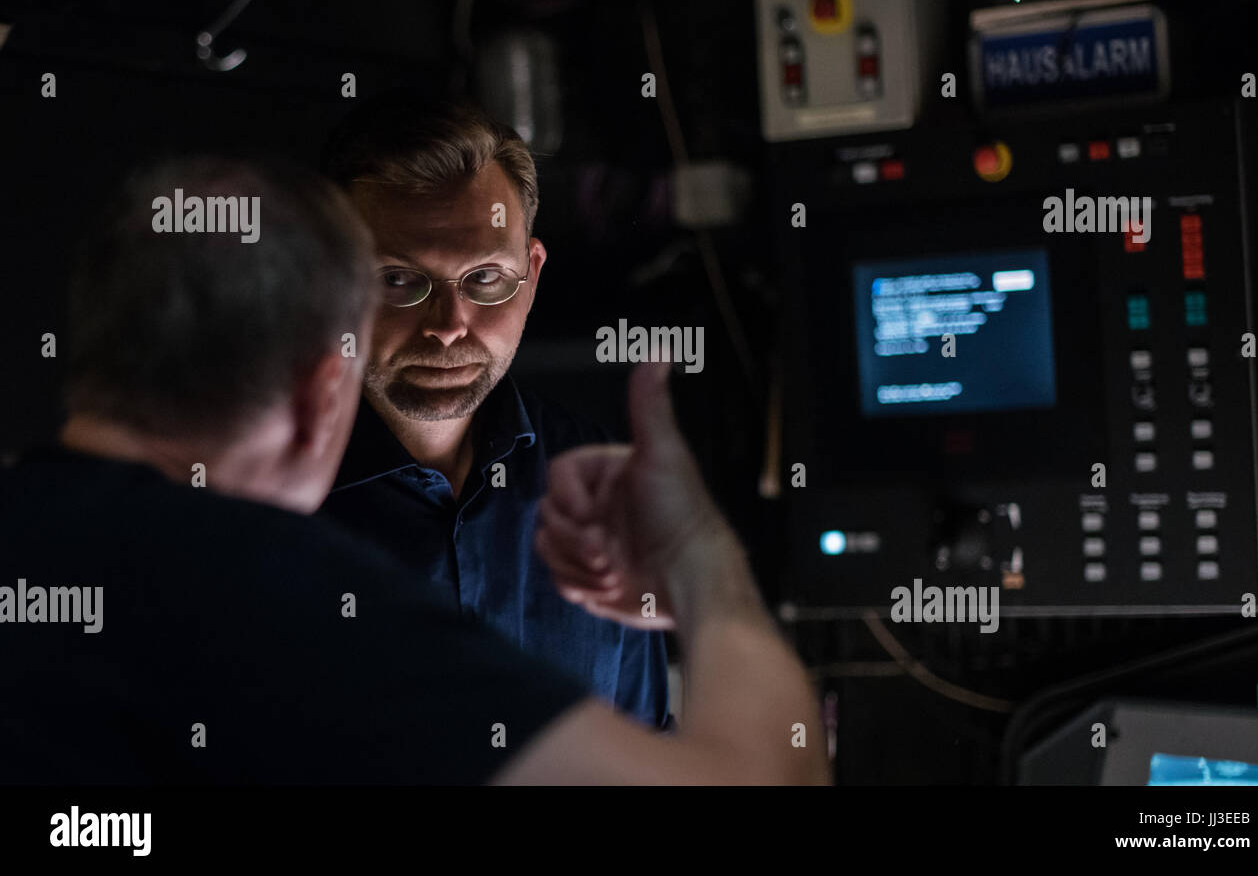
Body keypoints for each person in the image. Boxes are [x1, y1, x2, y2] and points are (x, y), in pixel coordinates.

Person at [0, 156, 826, 785]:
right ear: (330, 386)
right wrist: (700, 560)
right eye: (400, 286)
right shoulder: (280, 591)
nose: (447, 327)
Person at [318, 92, 670, 728]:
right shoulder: (248, 509)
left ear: (531, 276)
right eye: (397, 279)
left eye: (485, 278)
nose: (449, 327)